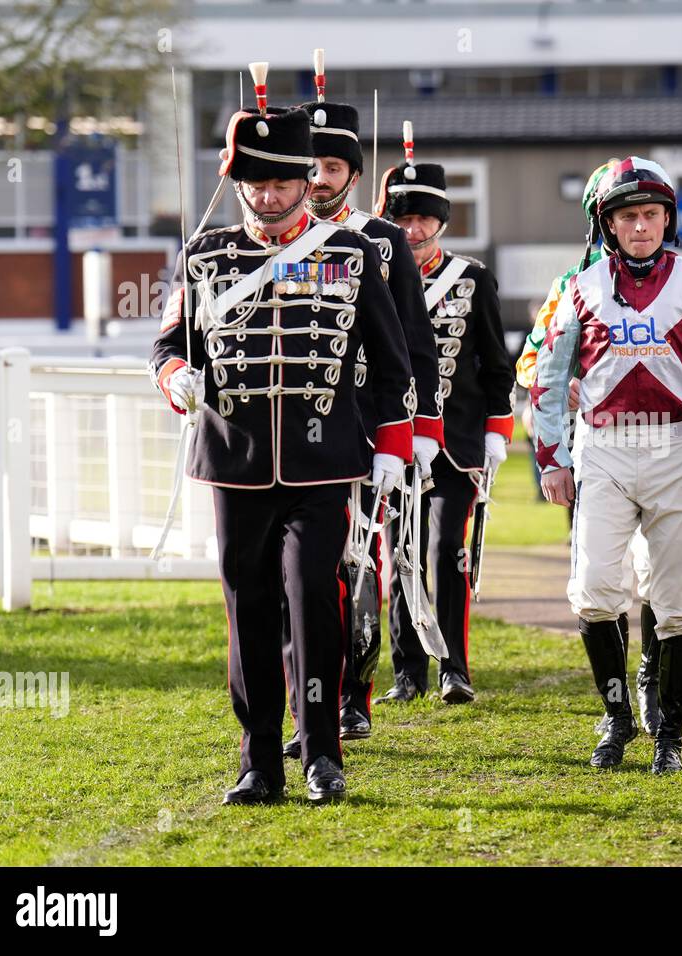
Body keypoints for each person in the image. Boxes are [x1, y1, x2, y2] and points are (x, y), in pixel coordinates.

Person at [150, 77, 416, 805]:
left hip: (322, 459)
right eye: (254, 183)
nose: (267, 197)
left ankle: (323, 753)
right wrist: (175, 378)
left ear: (305, 181)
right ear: (237, 185)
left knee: (313, 601)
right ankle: (258, 759)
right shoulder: (203, 256)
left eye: (279, 182)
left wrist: (392, 447)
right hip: (233, 461)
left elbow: (392, 363)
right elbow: (169, 345)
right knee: (249, 609)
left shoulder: (351, 255)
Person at [532, 157, 682, 773]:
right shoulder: (578, 288)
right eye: (628, 216)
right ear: (607, 224)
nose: (641, 226)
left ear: (668, 219)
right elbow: (548, 382)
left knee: (676, 600)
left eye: (652, 214)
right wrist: (552, 460)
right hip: (601, 447)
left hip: (677, 447)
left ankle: (670, 738)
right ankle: (616, 716)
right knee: (596, 593)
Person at [279, 56, 446, 757]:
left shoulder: (379, 241)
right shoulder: (274, 240)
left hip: (363, 431)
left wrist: (420, 431)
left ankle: (353, 699)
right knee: (294, 577)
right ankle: (302, 708)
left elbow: (412, 342)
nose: (316, 179)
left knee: (358, 566)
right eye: (307, 165)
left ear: (351, 173)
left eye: (329, 167)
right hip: (290, 432)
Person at [373, 129, 516, 706]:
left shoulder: (472, 279)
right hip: (390, 439)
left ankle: (454, 666)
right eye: (402, 217)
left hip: (454, 442)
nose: (411, 230)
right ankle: (407, 671)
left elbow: (494, 360)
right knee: (396, 553)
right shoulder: (371, 274)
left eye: (423, 218)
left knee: (446, 553)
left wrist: (497, 429)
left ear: (441, 221)